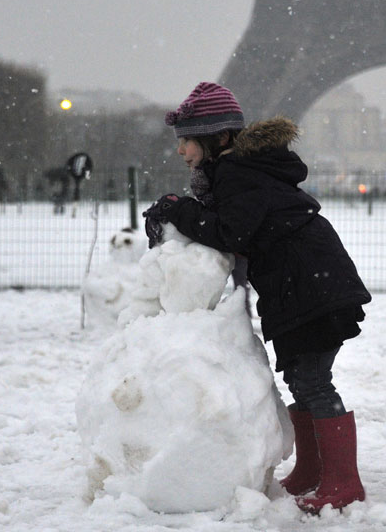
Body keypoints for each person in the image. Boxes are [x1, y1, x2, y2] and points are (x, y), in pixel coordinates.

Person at [143, 82, 371, 513]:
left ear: (218, 138)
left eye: (187, 141)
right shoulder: (243, 171)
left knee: (314, 382)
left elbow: (231, 231)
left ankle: (344, 481)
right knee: (303, 380)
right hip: (305, 286)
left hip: (309, 288)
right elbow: (236, 224)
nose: (181, 151)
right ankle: (312, 469)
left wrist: (177, 208)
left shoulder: (236, 172)